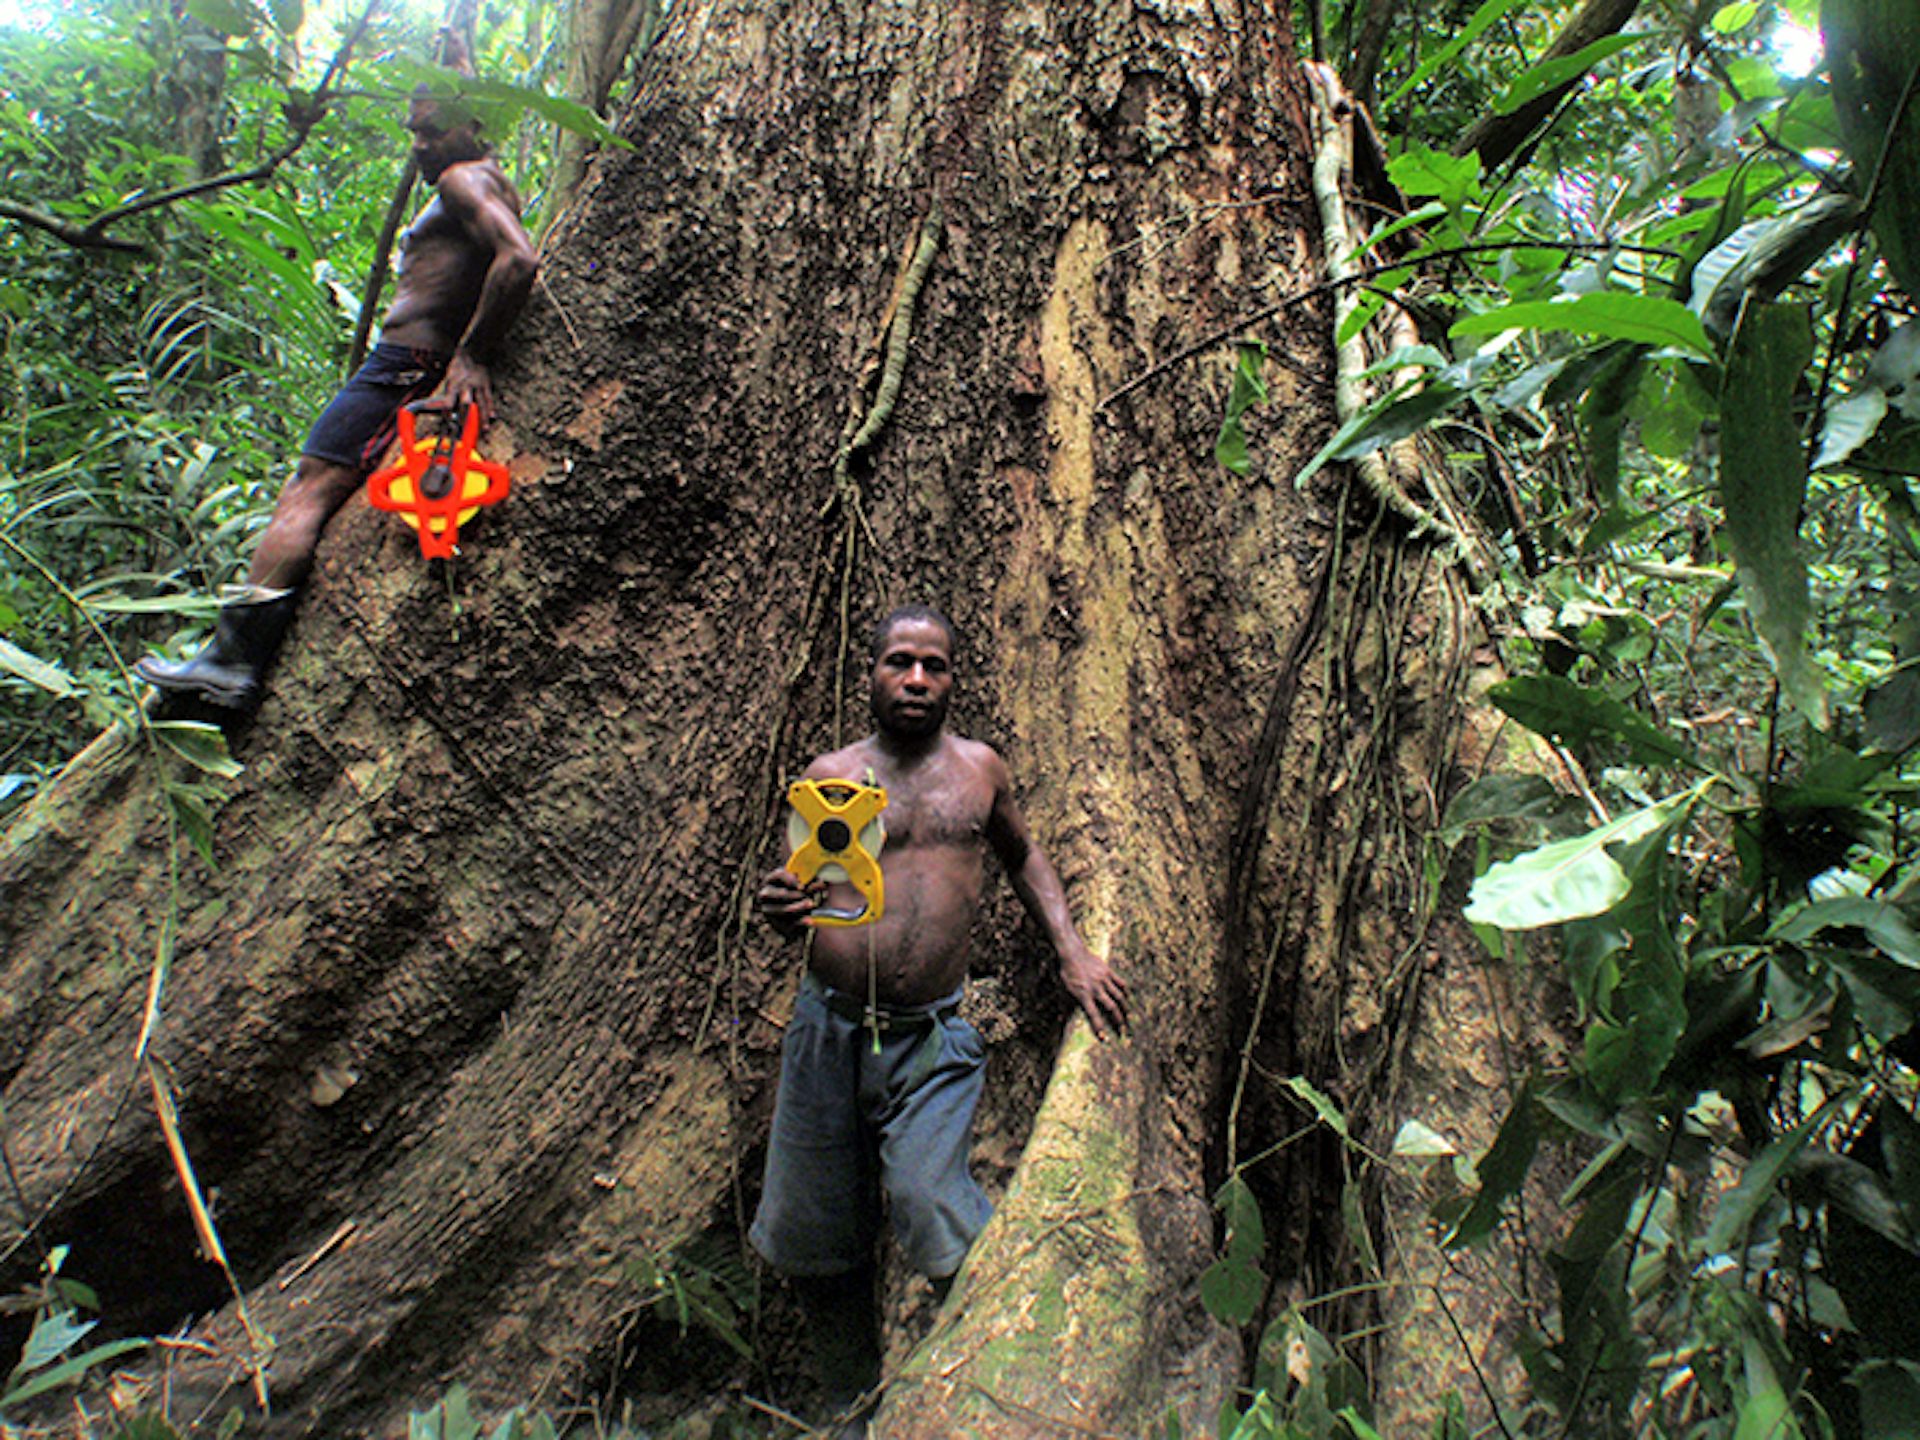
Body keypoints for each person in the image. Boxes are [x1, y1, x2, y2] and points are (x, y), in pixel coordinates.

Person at [753, 604, 1129, 1434]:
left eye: (934, 665)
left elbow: (1024, 856)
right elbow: (799, 883)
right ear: (873, 674)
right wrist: (783, 906)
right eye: (900, 662)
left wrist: (1072, 952)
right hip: (828, 1029)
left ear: (954, 678)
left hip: (932, 1037)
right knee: (815, 1232)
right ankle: (850, 1410)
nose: (917, 679)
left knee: (932, 1203)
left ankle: (991, 1382)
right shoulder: (833, 773)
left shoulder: (979, 772)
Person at [135, 71, 538, 715]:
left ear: (472, 125)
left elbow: (518, 259)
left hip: (403, 366)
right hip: (404, 362)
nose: (421, 145)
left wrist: (470, 356)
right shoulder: (479, 174)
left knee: (309, 486)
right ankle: (226, 658)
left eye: (434, 130)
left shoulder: (464, 180)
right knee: (310, 483)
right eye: (413, 131)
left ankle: (231, 663)